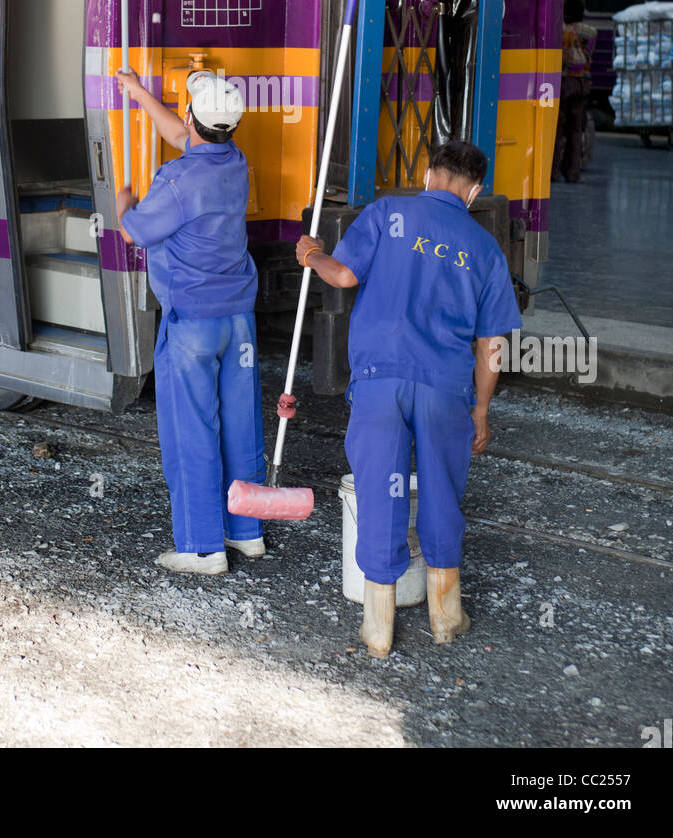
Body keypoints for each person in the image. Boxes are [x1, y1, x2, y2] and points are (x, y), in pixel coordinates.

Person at [295, 141, 521, 657]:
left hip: (379, 380)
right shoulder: (485, 249)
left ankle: (379, 628)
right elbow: (492, 345)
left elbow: (345, 276)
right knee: (442, 491)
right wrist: (481, 410)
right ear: (476, 189)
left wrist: (311, 254)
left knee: (380, 491)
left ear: (427, 173)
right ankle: (446, 616)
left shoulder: (388, 212)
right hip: (444, 388)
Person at [115, 67, 266, 576]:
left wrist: (123, 203)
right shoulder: (235, 163)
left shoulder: (177, 181)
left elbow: (135, 233)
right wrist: (139, 95)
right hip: (238, 322)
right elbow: (184, 135)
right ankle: (246, 532)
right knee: (241, 426)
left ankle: (203, 547)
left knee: (193, 430)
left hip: (193, 326)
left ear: (193, 116)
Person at [552, 0, 596, 183]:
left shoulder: (558, 30)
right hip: (581, 83)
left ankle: (551, 172)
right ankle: (572, 173)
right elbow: (590, 55)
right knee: (575, 129)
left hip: (561, 82)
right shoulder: (590, 31)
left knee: (556, 128)